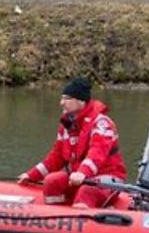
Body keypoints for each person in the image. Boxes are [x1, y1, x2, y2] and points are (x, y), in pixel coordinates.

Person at [17, 77, 127, 209]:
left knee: (87, 190)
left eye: (67, 98)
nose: (61, 103)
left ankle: (82, 214)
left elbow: (97, 153)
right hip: (78, 176)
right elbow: (55, 157)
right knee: (51, 182)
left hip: (107, 178)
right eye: (62, 98)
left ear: (81, 100)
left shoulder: (101, 123)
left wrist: (82, 173)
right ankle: (55, 216)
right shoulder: (67, 126)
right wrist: (31, 175)